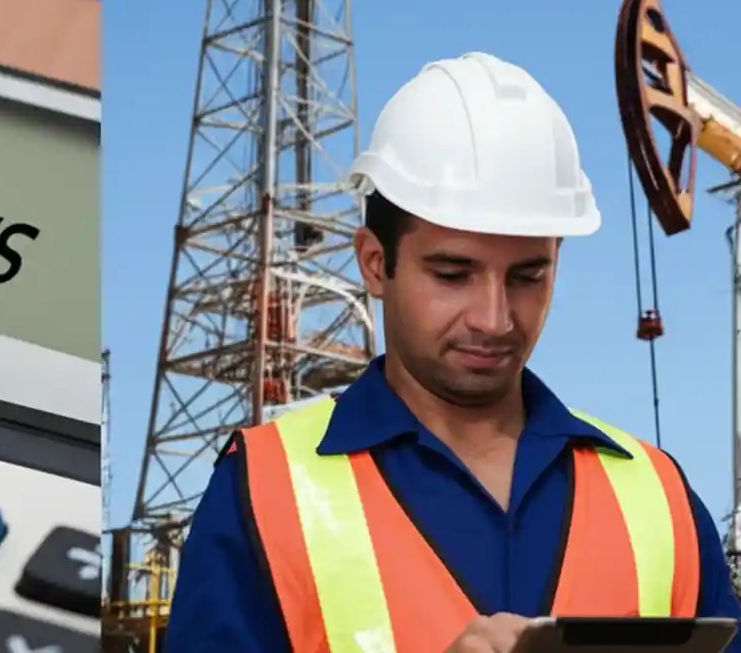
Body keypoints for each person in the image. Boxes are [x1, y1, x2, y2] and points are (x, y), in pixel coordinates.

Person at [162, 52, 741, 653]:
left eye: (527, 276)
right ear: (375, 263)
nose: (494, 319)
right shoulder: (263, 490)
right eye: (453, 274)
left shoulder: (657, 497)